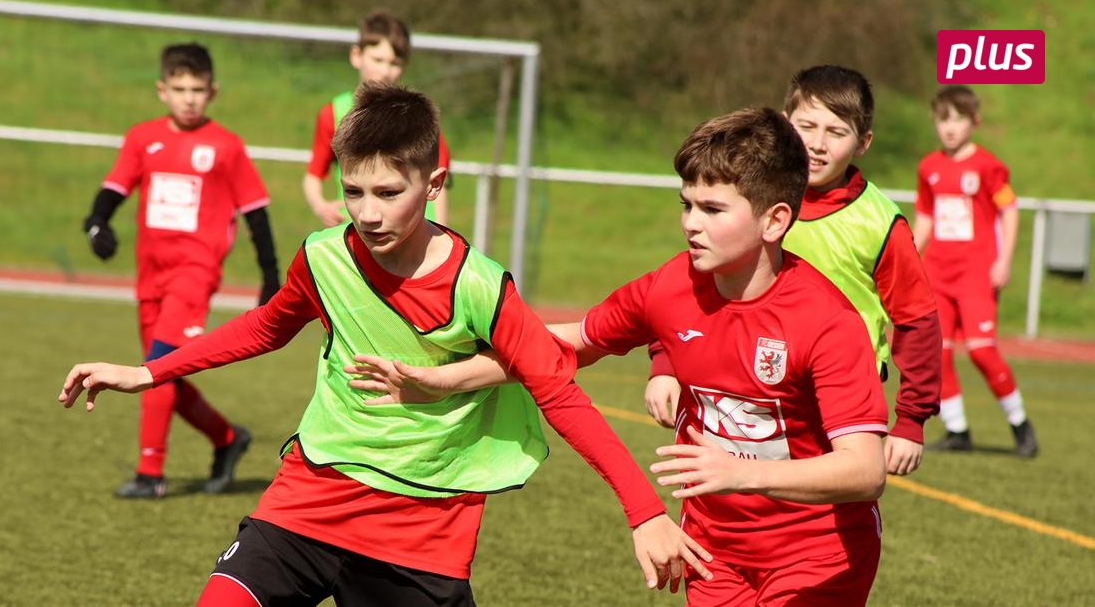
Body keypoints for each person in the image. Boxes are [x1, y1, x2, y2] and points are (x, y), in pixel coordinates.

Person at [60, 82, 709, 606]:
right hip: (311, 494)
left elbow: (560, 395)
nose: (367, 212)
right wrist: (148, 373)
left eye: (388, 193)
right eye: (353, 191)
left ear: (433, 184)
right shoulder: (322, 256)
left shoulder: (477, 286)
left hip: (422, 526)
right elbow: (266, 326)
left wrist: (645, 511)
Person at [349, 107, 890, 605]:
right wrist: (451, 379)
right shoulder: (671, 287)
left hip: (819, 555)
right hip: (712, 550)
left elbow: (864, 470)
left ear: (774, 221)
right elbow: (562, 344)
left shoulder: (826, 320)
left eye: (712, 208)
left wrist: (737, 472)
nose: (690, 223)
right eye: (686, 203)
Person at [646, 65, 941, 476]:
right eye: (807, 126)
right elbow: (688, 290)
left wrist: (911, 419)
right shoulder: (745, 198)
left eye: (836, 133)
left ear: (864, 143)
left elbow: (917, 320)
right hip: (741, 386)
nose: (818, 145)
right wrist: (665, 365)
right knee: (730, 504)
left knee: (821, 509)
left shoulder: (880, 223)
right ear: (787, 125)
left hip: (839, 396)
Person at [80, 42, 279, 498]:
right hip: (151, 274)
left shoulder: (226, 147)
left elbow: (257, 211)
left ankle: (150, 474)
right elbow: (113, 188)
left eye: (198, 89)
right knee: (163, 370)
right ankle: (228, 438)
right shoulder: (141, 137)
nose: (189, 97)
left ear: (213, 92)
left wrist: (270, 275)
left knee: (154, 365)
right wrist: (96, 224)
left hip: (196, 271)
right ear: (162, 90)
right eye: (179, 88)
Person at [913, 84, 1039, 458]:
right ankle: (957, 430)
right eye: (942, 119)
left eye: (957, 119)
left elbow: (1009, 210)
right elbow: (924, 221)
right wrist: (909, 264)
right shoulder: (928, 168)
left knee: (982, 351)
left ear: (974, 122)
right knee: (938, 353)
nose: (949, 127)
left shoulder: (987, 166)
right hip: (938, 273)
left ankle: (1020, 425)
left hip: (975, 274)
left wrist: (1003, 260)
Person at [303, 9, 451, 228]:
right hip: (360, 228)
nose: (384, 71)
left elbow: (440, 183)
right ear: (356, 56)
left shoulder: (417, 115)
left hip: (414, 233)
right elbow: (313, 175)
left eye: (394, 63)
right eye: (378, 59)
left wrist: (441, 230)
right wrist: (320, 206)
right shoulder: (334, 112)